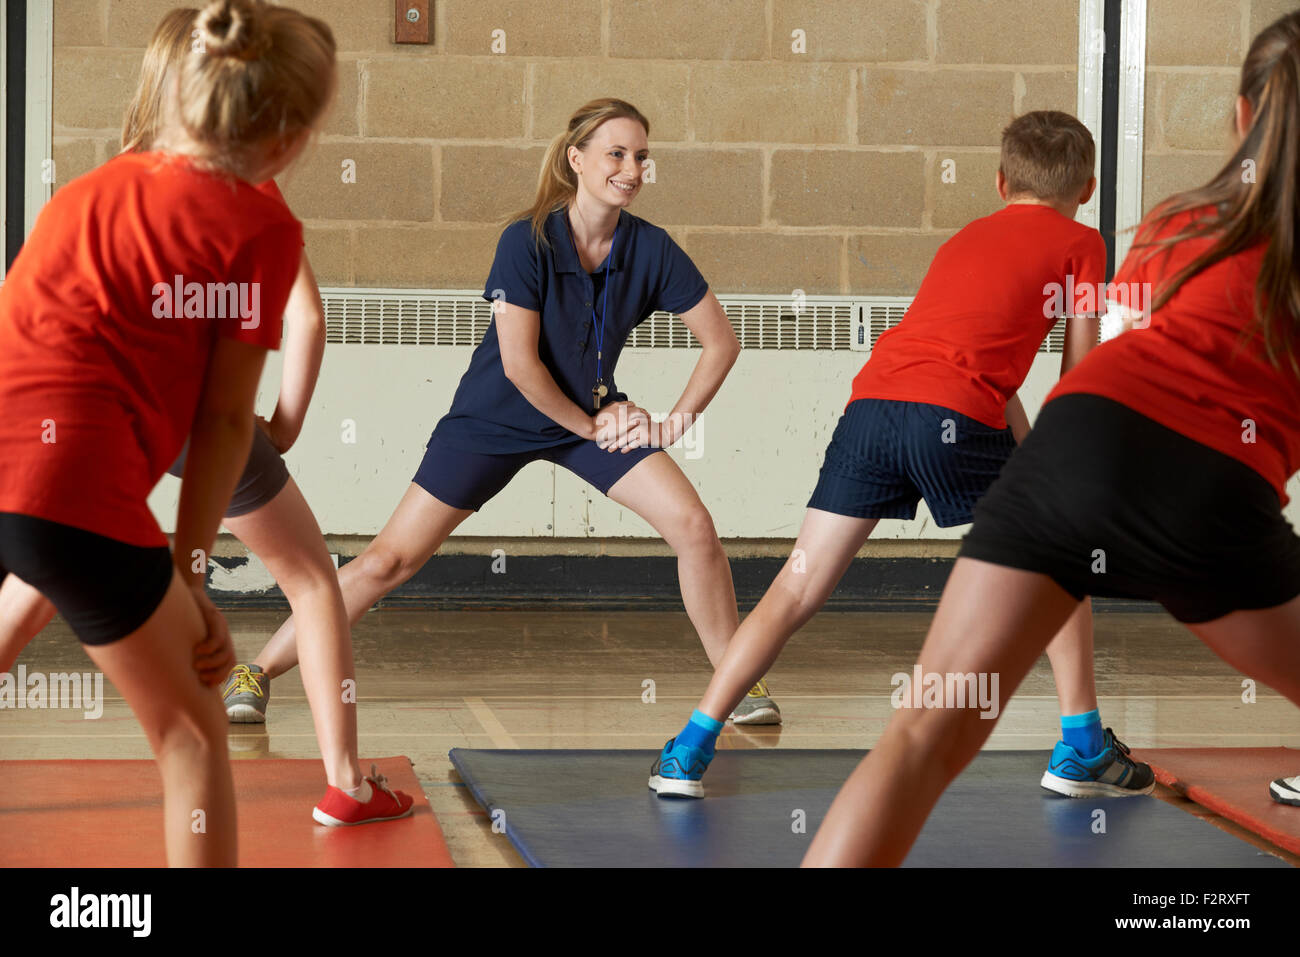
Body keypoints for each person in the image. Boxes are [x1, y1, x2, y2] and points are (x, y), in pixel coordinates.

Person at [803, 10, 1300, 865]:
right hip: (1210, 487)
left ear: (1242, 115)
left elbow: (1119, 353)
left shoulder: (1177, 222)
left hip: (1072, 445)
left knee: (919, 739)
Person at [650, 110, 1152, 801]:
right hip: (951, 415)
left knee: (797, 584)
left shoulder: (964, 239)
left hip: (874, 408)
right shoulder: (1082, 242)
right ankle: (1084, 746)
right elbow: (1076, 370)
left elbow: (966, 357)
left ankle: (688, 748)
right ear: (1089, 187)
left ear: (1001, 181)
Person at [0, 4, 411, 829]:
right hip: (132, 439)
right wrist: (278, 433)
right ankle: (346, 783)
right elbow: (257, 381)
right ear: (289, 136)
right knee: (295, 598)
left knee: (46, 565)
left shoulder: (92, 190)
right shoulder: (257, 217)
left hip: (36, 452)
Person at [241, 97, 781, 721]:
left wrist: (669, 423)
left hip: (588, 420)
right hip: (495, 419)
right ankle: (254, 671)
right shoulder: (525, 241)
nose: (631, 169)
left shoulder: (652, 249)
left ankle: (735, 683)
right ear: (577, 160)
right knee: (390, 560)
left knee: (693, 527)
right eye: (616, 154)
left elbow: (722, 341)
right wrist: (594, 426)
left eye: (640, 157)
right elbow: (522, 367)